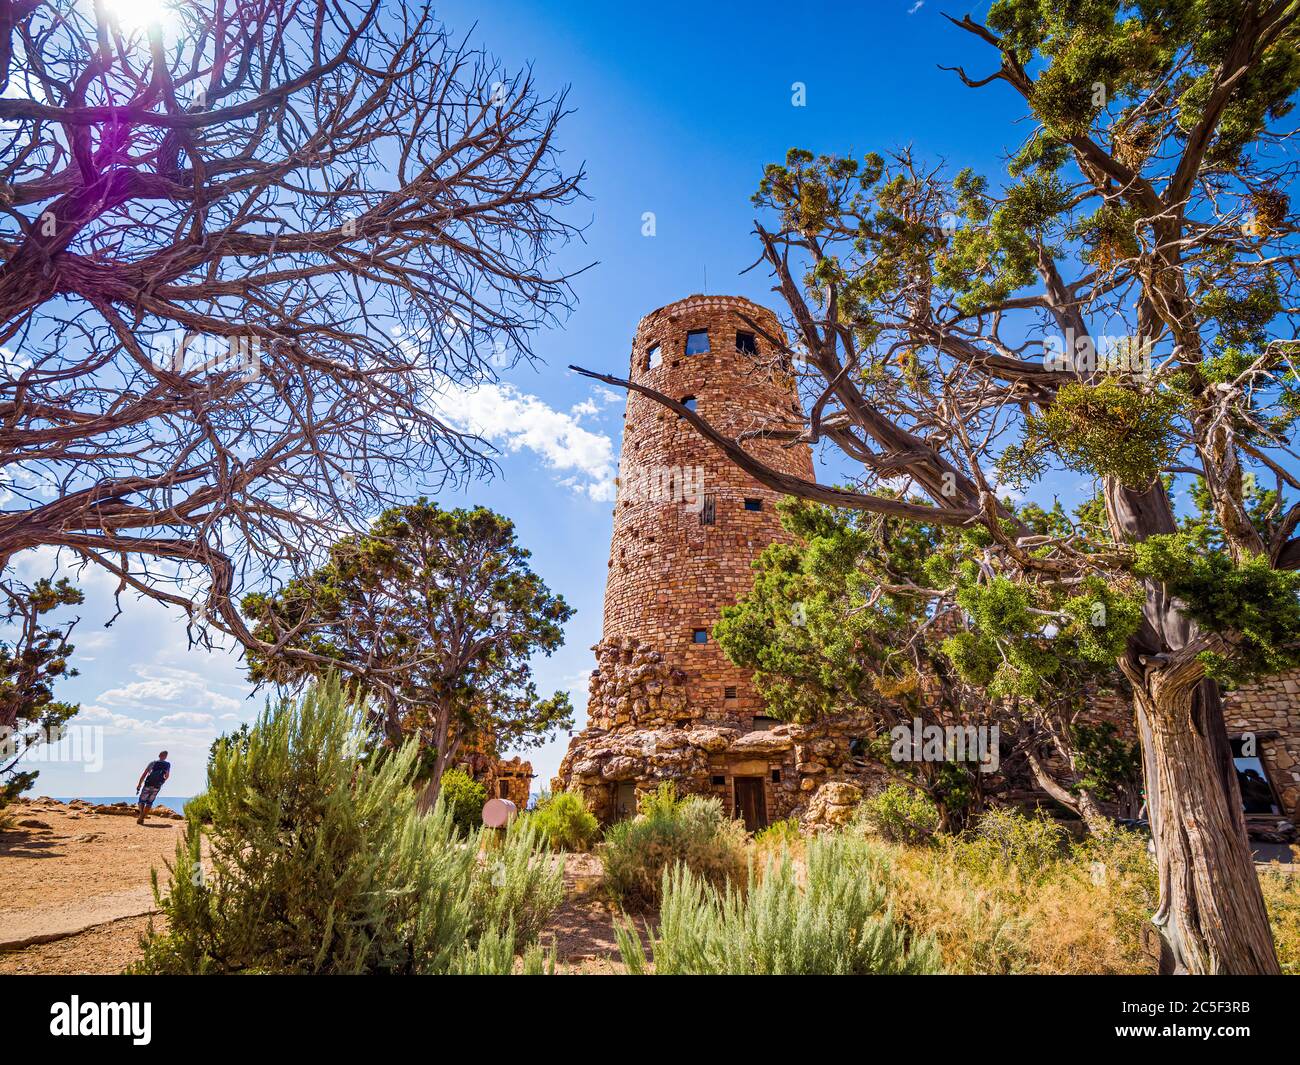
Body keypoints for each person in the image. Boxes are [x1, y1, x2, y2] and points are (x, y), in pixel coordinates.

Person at [135, 750, 171, 824]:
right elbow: (167, 776)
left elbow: (144, 774)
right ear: (166, 757)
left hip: (148, 784)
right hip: (157, 786)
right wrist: (162, 781)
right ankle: (142, 817)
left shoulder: (152, 763)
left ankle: (141, 815)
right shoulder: (167, 764)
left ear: (159, 755)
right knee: (149, 802)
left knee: (141, 801)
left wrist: (139, 784)